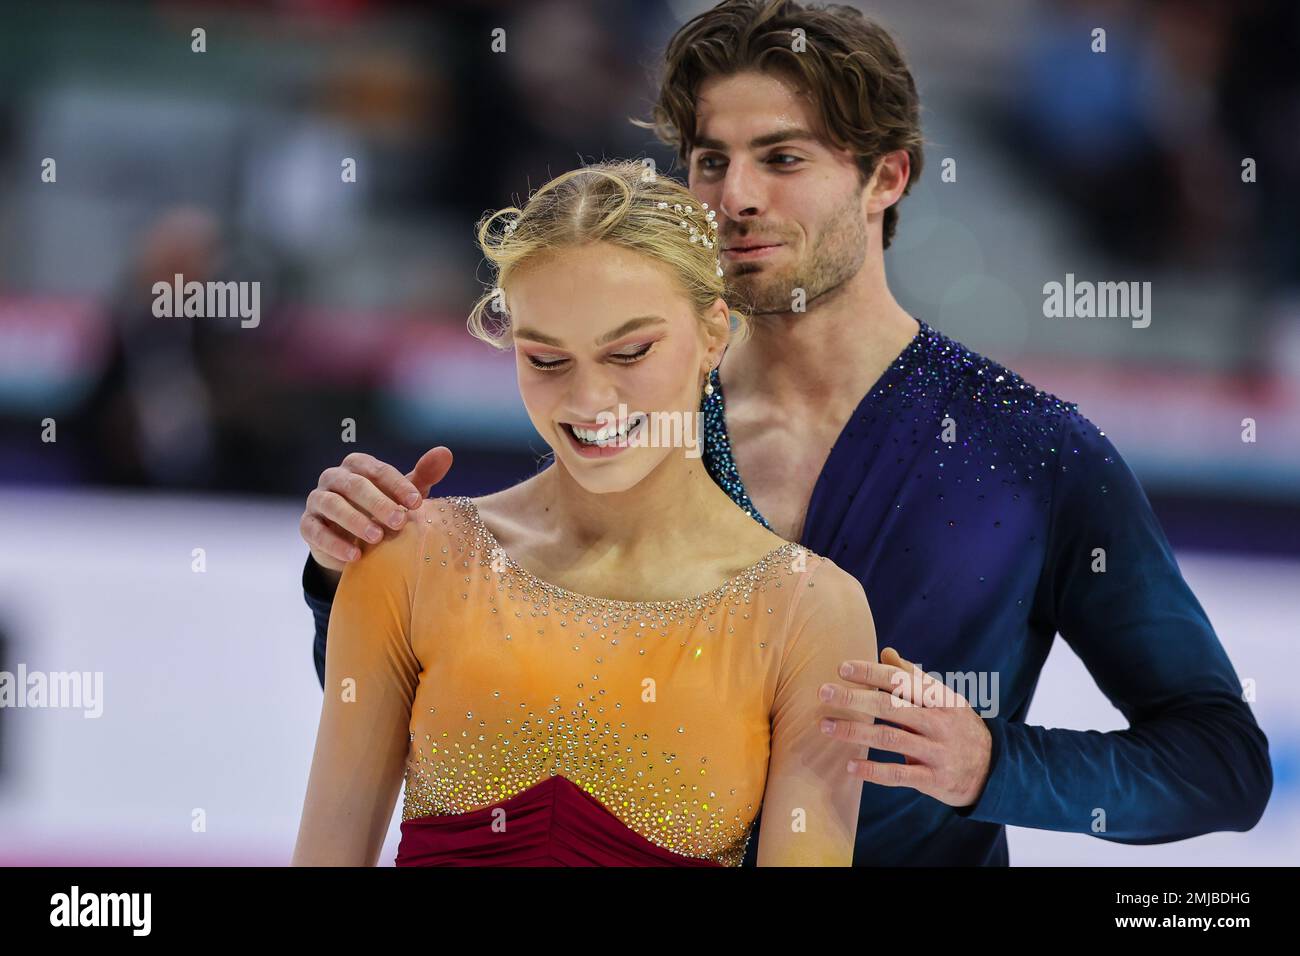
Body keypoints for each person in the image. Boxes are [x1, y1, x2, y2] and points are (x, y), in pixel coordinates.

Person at [298, 0, 1271, 866]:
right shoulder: (620, 415)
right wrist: (351, 580)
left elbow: (1219, 763)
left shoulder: (1032, 454)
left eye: (782, 157)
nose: (736, 196)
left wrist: (992, 763)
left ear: (886, 175)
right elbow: (462, 700)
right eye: (710, 160)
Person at [292, 162, 876, 867]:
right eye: (545, 360)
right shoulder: (413, 556)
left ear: (715, 333)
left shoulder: (807, 610)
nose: (589, 400)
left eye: (629, 352)